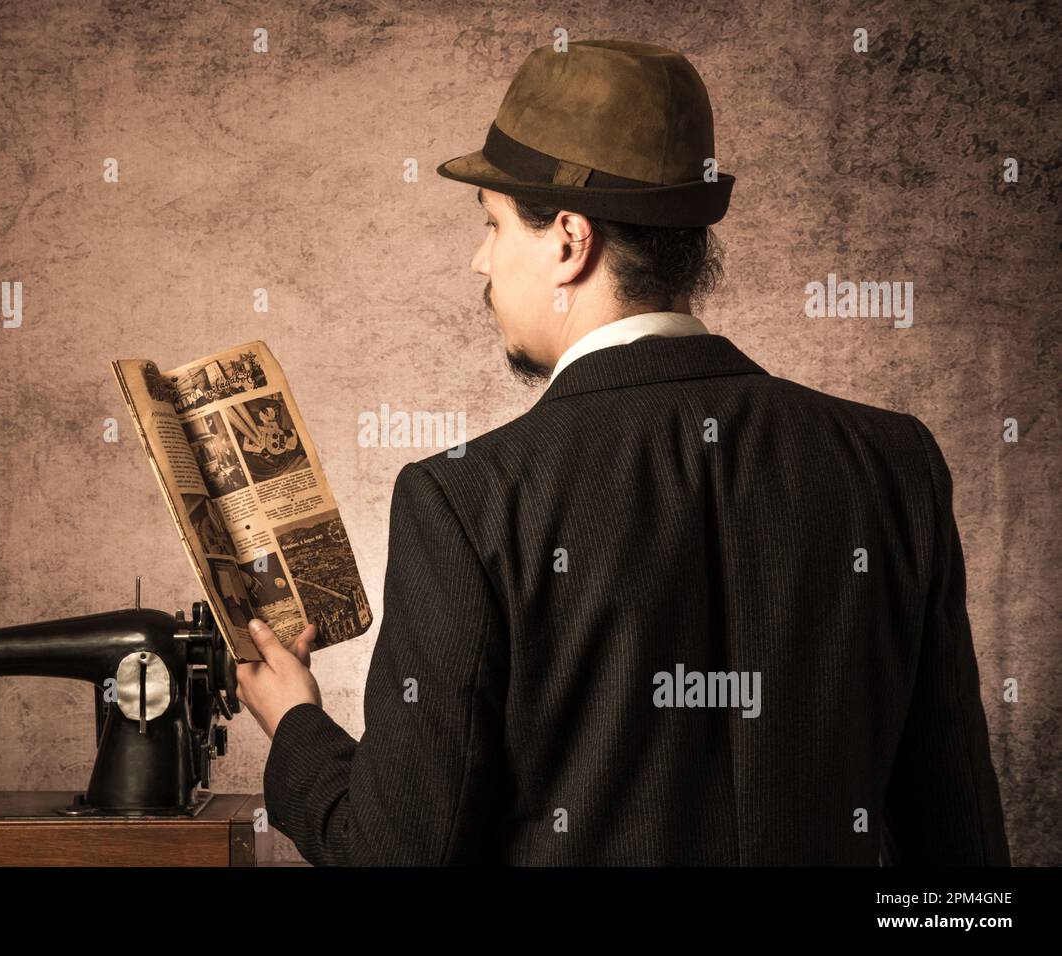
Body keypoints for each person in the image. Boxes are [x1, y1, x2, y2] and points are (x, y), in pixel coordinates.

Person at [233, 40, 1010, 866]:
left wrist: (295, 728)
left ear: (570, 240)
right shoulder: (895, 464)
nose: (481, 260)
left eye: (493, 226)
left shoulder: (466, 499)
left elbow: (399, 852)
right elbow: (960, 857)